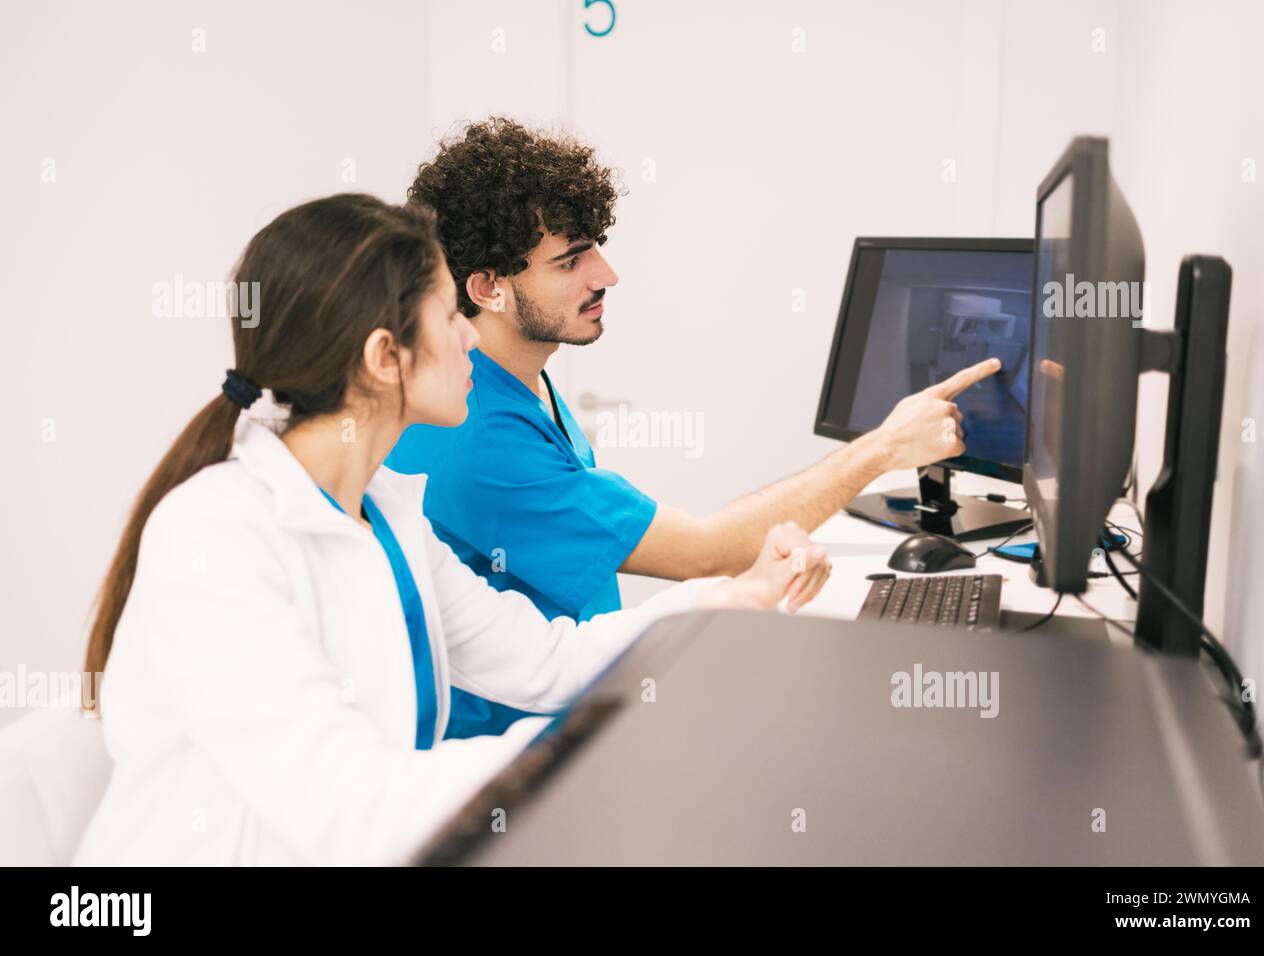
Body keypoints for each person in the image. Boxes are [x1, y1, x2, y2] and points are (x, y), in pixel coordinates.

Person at [73, 194, 830, 866]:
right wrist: (611, 745)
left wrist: (730, 598)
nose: (471, 340)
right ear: (382, 358)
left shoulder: (388, 515)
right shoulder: (215, 538)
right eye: (449, 317)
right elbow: (357, 812)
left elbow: (546, 662)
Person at [387, 117, 999, 737]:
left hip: (584, 687)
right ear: (488, 287)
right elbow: (707, 551)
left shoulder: (520, 383)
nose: (606, 274)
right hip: (519, 746)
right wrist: (885, 447)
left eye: (594, 245)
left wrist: (740, 590)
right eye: (571, 261)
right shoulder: (477, 431)